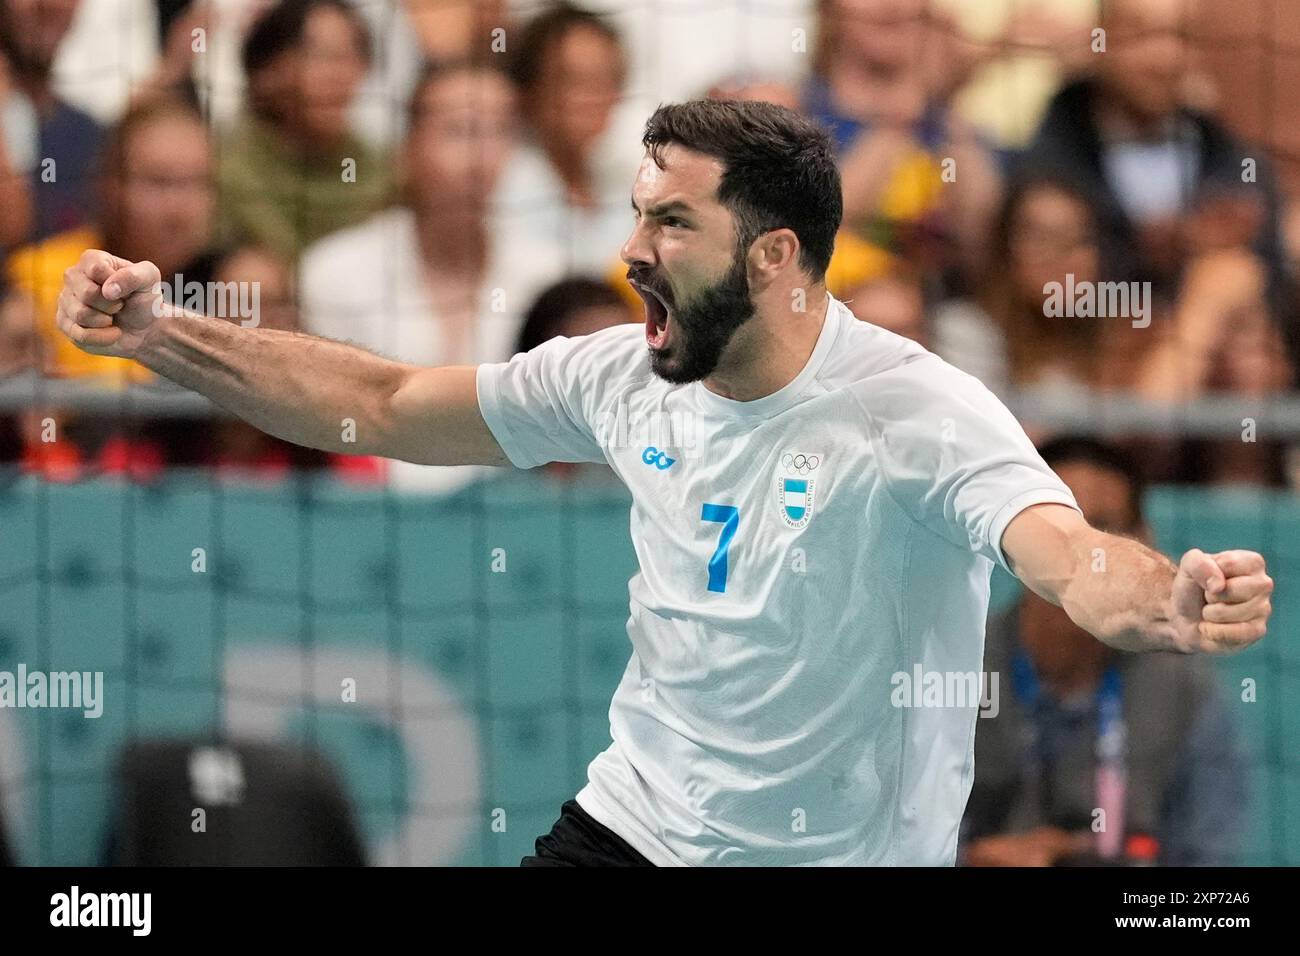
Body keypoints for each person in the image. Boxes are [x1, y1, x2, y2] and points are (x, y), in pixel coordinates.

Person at [56, 99, 1273, 867]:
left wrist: (1167, 601)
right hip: (631, 833)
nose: (630, 251)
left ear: (774, 255)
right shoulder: (619, 373)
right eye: (639, 213)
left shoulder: (922, 416)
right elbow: (376, 402)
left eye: (672, 224)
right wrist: (167, 333)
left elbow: (1070, 557)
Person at [961, 437, 1247, 866]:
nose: (1090, 558)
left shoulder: (1184, 692)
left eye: (1106, 531)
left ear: (1142, 544)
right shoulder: (956, 672)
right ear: (1017, 547)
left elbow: (1208, 857)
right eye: (1062, 535)